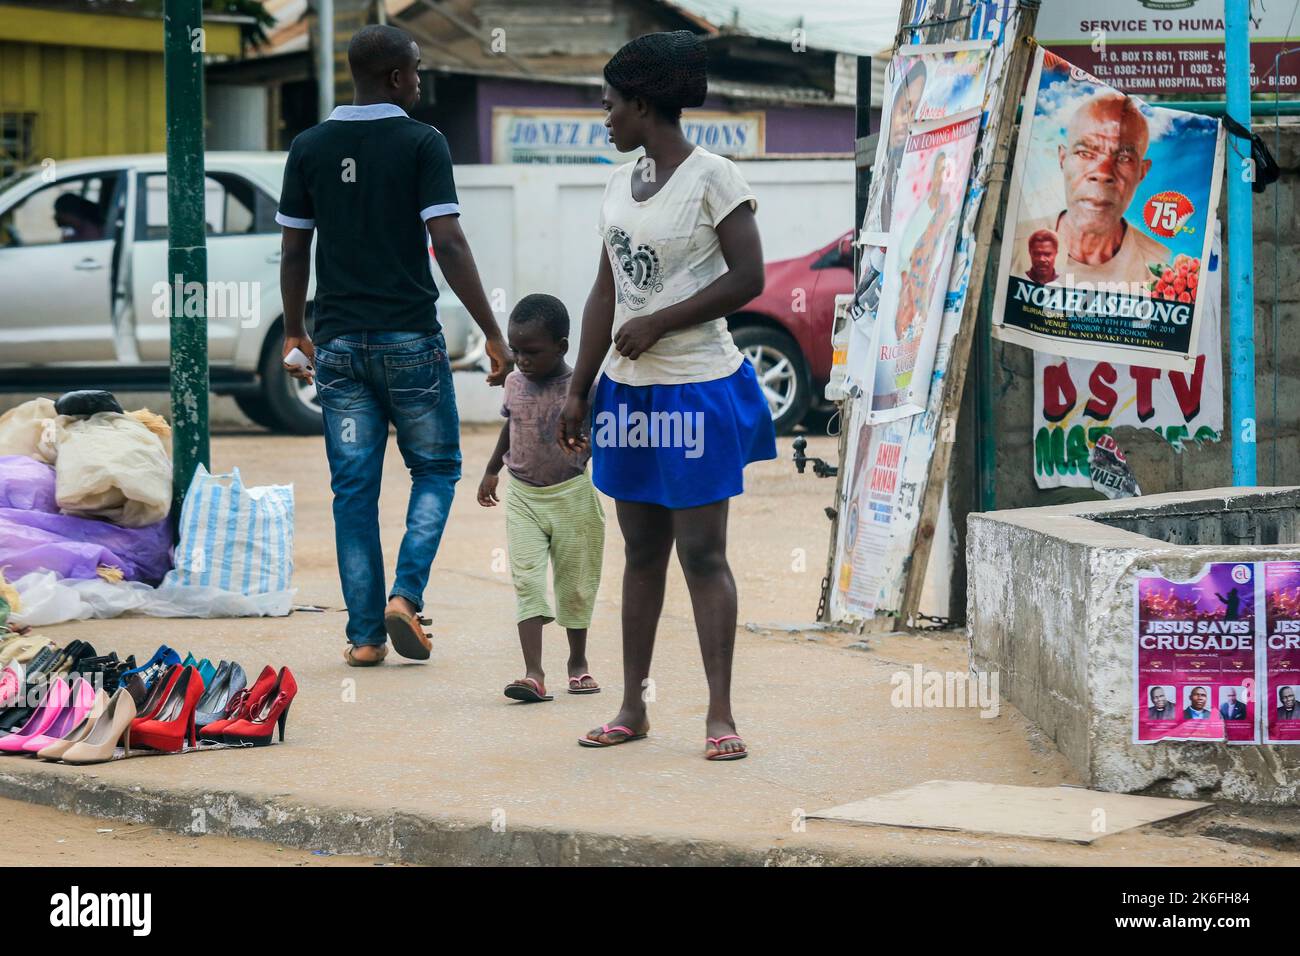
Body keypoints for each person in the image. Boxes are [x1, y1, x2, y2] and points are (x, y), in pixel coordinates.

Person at [558, 30, 773, 761]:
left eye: (611, 104)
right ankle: (632, 708)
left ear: (644, 104)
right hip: (628, 395)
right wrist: (578, 388)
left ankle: (721, 716)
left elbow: (749, 278)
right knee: (640, 551)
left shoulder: (715, 177)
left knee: (702, 555)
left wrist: (661, 322)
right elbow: (605, 290)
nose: (604, 116)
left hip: (696, 390)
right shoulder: (621, 183)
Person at [277, 24, 510, 667]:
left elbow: (295, 249)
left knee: (354, 490)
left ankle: (363, 638)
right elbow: (450, 242)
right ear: (393, 77)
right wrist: (493, 331)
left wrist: (298, 329)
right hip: (410, 341)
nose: (419, 82)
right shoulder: (420, 142)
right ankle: (406, 595)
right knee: (434, 470)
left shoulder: (310, 147)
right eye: (414, 71)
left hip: (340, 347)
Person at [478, 294, 606, 702]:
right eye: (515, 351)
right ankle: (533, 672)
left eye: (531, 351)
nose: (521, 360)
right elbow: (511, 425)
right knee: (528, 581)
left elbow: (606, 435)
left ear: (562, 347)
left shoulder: (583, 388)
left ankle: (578, 663)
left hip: (573, 496)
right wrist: (492, 469)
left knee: (576, 584)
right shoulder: (514, 382)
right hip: (523, 497)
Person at [1011, 93, 1169, 287]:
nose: (1102, 173)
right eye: (1085, 153)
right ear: (1063, 159)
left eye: (1124, 158)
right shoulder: (1013, 245)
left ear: (1142, 172)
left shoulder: (1163, 270)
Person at [877, 58, 928, 234]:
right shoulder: (882, 178)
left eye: (916, 112)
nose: (908, 122)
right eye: (904, 110)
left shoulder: (919, 178)